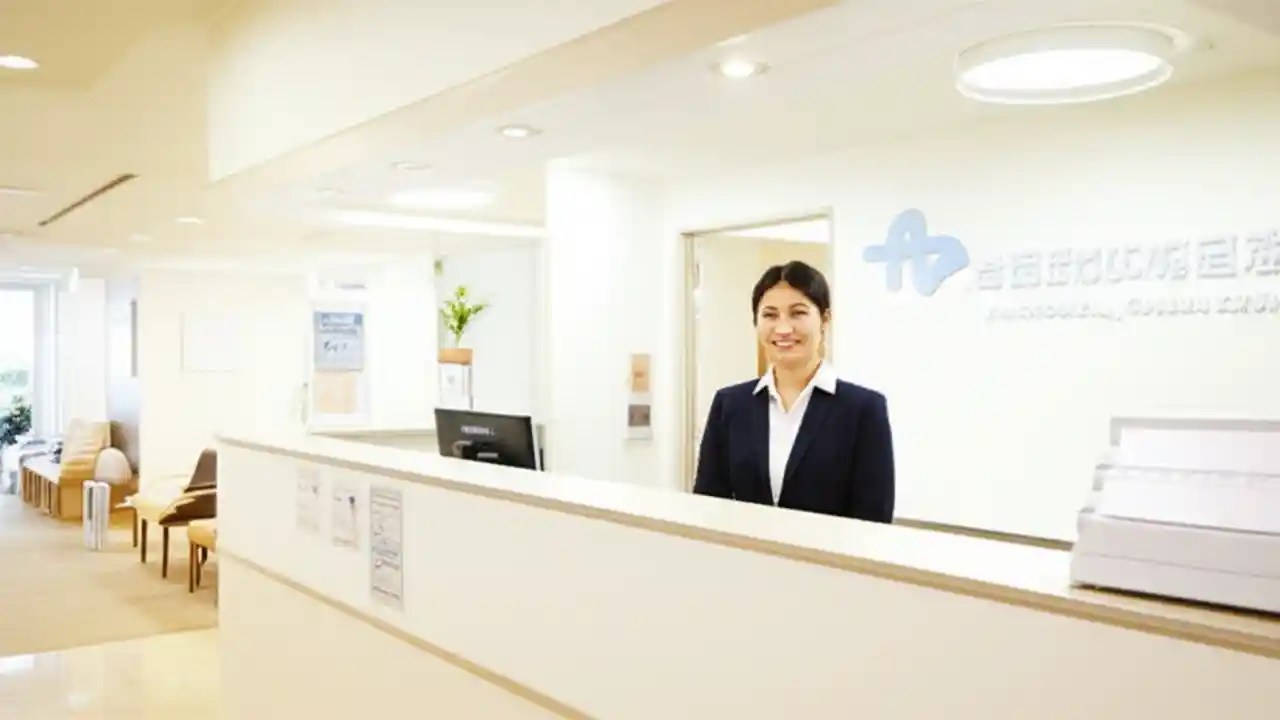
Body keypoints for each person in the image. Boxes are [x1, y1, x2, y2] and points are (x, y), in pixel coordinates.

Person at [693, 261, 894, 523]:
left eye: (797, 313)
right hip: (743, 550)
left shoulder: (863, 410)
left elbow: (873, 518)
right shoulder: (729, 405)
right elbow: (708, 506)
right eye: (770, 315)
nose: (783, 328)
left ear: (824, 320)